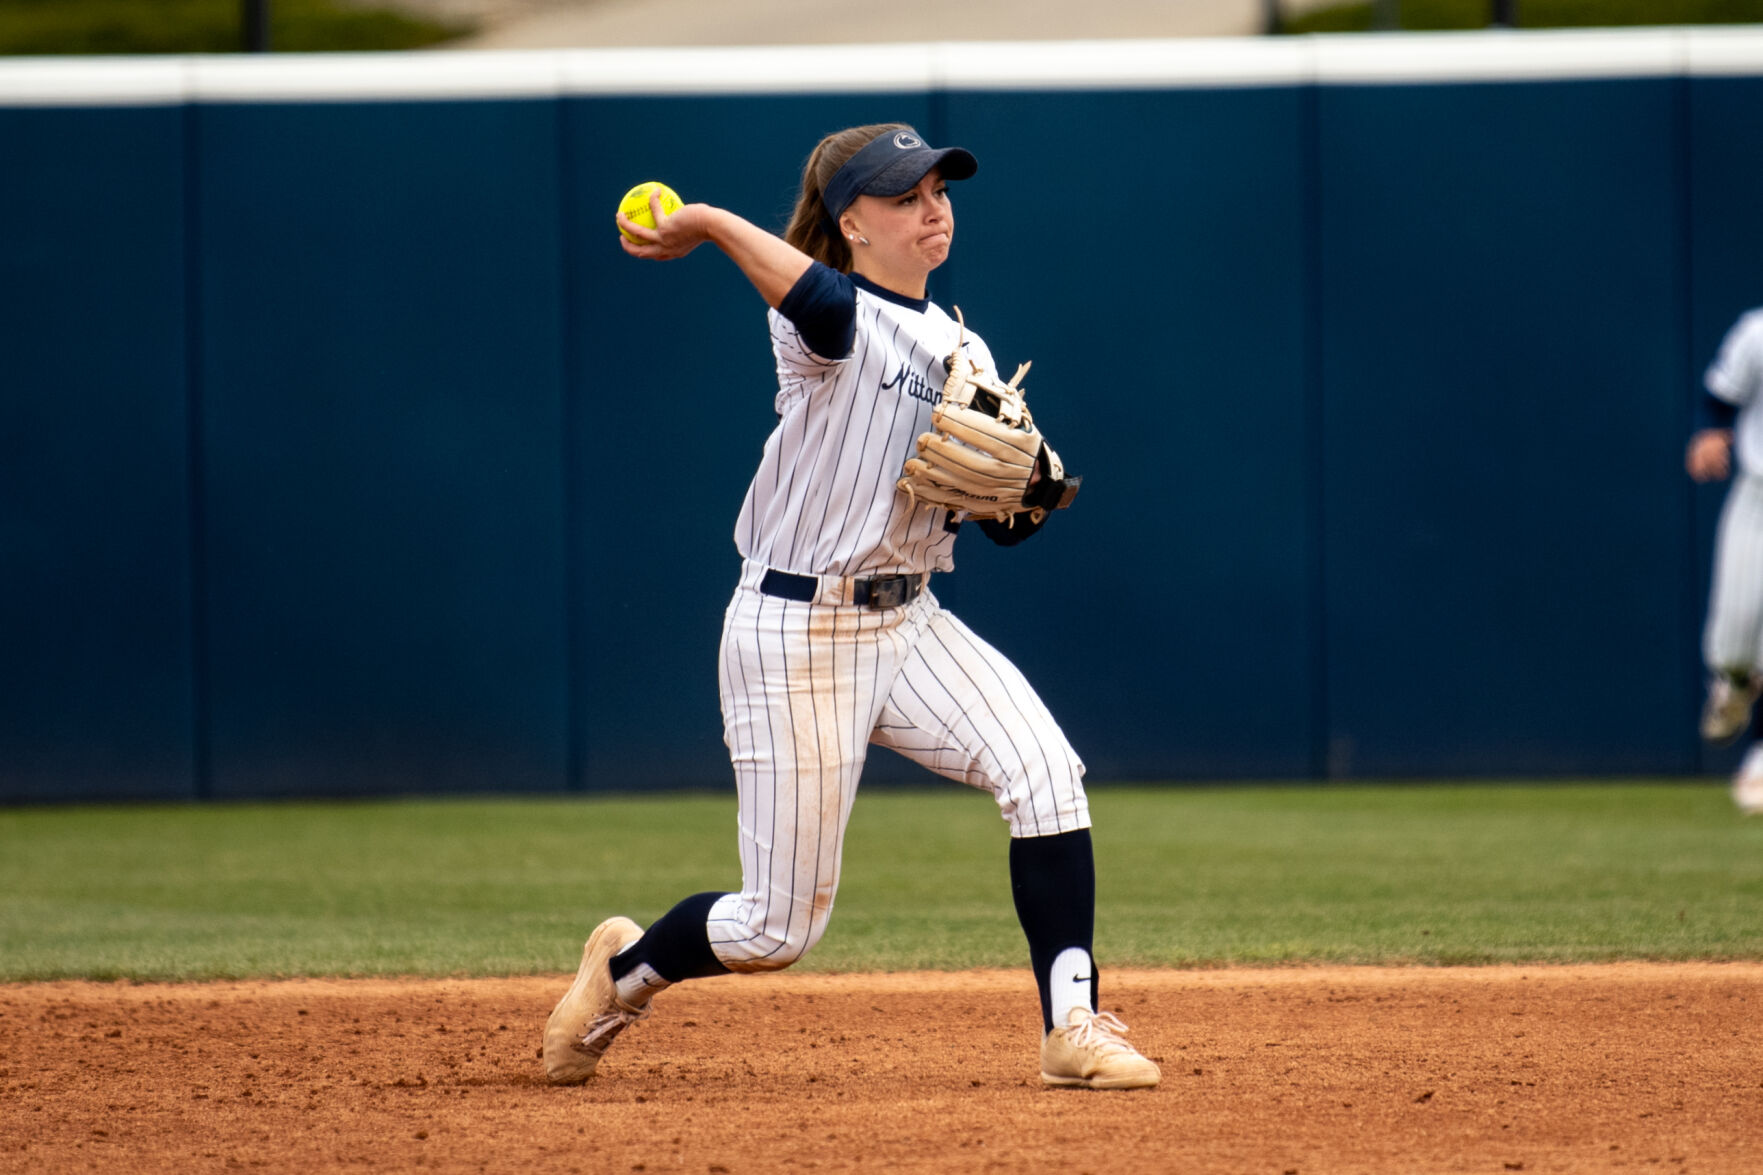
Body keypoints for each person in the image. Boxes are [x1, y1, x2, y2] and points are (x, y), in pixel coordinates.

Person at [540, 124, 1159, 1090]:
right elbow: (824, 304)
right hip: (795, 632)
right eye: (905, 194)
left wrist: (1024, 496)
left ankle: (1071, 1025)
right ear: (850, 222)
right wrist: (702, 221)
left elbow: (994, 525)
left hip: (906, 622)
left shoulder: (965, 347)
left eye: (939, 190)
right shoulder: (821, 322)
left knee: (1046, 775)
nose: (932, 207)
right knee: (776, 926)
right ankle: (622, 974)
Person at [1688, 304, 1763, 815]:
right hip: (1758, 496)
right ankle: (1736, 682)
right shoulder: (1758, 331)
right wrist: (1708, 433)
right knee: (1734, 641)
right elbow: (1718, 398)